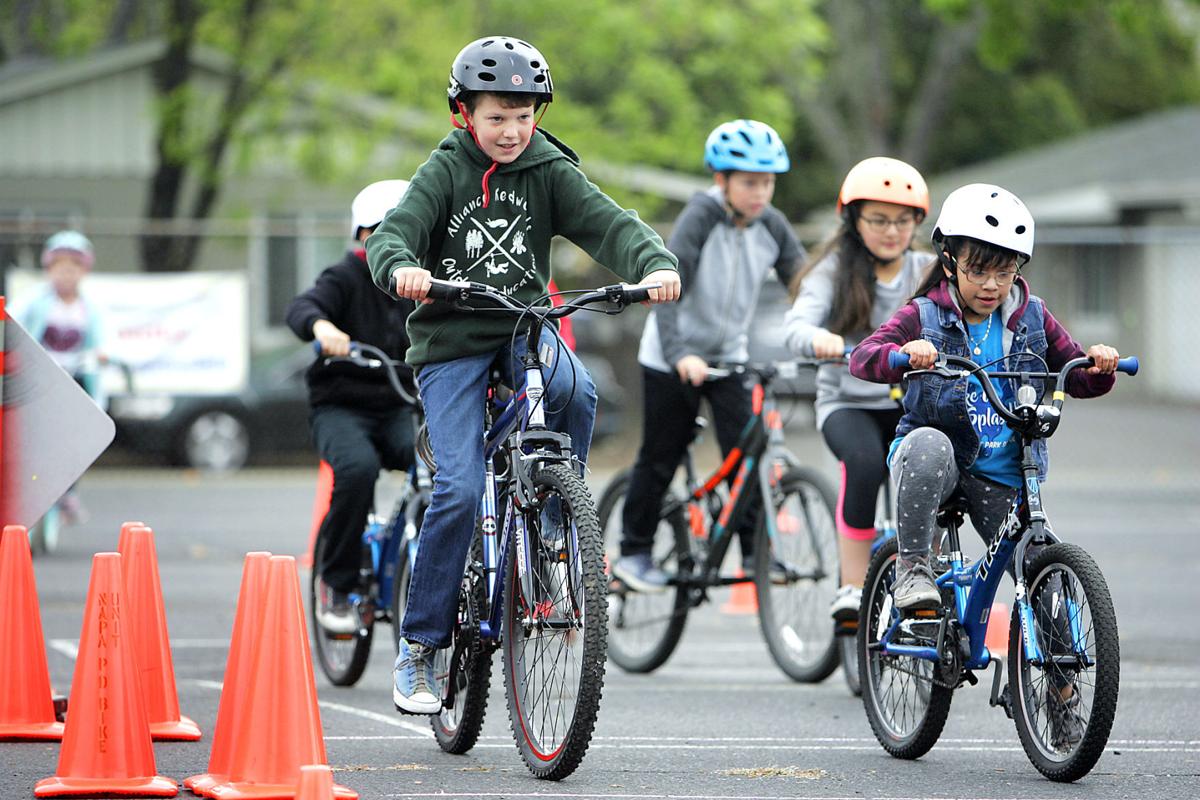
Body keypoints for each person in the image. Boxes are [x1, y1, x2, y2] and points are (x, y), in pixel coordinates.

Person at [365, 35, 681, 714]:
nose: (511, 131)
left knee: (575, 387)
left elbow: (609, 223)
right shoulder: (444, 171)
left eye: (523, 115)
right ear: (464, 115)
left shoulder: (546, 168)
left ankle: (557, 514)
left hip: (521, 325)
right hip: (451, 339)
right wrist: (400, 268)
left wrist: (653, 263)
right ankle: (420, 648)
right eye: (496, 117)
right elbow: (396, 233)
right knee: (456, 488)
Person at [849, 183, 1119, 615]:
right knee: (928, 442)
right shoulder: (924, 314)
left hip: (1003, 475)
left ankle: (1052, 678)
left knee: (1047, 584)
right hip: (940, 465)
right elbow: (863, 358)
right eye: (978, 270)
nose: (992, 285)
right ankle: (913, 569)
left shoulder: (1032, 315)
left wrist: (1099, 365)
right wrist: (905, 356)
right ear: (950, 261)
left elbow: (1077, 374)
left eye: (1005, 271)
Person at [611, 119, 805, 592]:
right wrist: (680, 355)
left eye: (768, 183)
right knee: (662, 455)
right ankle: (633, 551)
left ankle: (755, 554)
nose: (761, 193)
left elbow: (804, 283)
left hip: (728, 357)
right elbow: (666, 291)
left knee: (748, 455)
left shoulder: (771, 225)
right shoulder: (700, 218)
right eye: (750, 183)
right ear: (722, 181)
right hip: (671, 355)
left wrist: (825, 331)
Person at [783, 157, 933, 623]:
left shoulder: (928, 270)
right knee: (865, 463)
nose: (891, 231)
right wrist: (818, 339)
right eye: (878, 220)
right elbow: (794, 327)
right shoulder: (832, 270)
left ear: (916, 223)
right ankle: (851, 586)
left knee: (937, 464)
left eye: (902, 220)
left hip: (910, 402)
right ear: (853, 220)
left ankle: (928, 573)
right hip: (847, 402)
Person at [285, 179, 417, 635]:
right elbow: (303, 307)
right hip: (341, 407)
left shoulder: (420, 282)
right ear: (363, 236)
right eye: (384, 231)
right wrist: (323, 328)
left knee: (440, 469)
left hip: (401, 405)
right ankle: (338, 584)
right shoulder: (345, 276)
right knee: (357, 469)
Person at [15, 230, 108, 522]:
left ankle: (68, 490)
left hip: (76, 376)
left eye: (74, 268)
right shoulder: (37, 303)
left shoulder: (89, 309)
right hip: (41, 376)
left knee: (80, 434)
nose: (66, 275)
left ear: (84, 271)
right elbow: (13, 322)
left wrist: (101, 355)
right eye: (60, 267)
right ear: (49, 270)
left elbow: (100, 343)